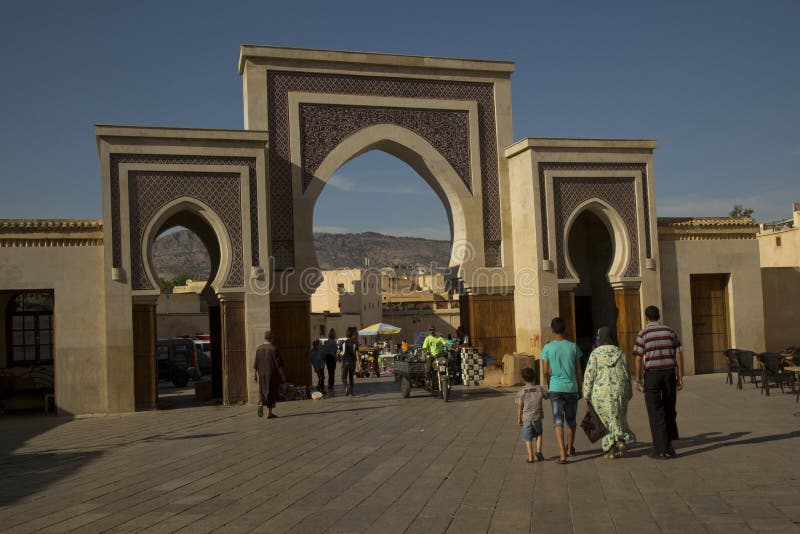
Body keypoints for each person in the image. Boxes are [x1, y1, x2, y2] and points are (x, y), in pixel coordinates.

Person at [633, 305, 683, 459]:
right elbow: (678, 354)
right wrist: (680, 377)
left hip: (653, 375)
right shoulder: (670, 331)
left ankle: (660, 448)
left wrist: (638, 378)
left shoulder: (643, 334)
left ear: (646, 317)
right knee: (669, 408)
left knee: (655, 411)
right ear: (659, 316)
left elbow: (639, 357)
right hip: (669, 373)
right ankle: (668, 446)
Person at [583, 326, 636, 459]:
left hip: (601, 392)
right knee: (619, 416)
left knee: (605, 420)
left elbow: (590, 375)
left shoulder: (595, 354)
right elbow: (626, 372)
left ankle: (610, 450)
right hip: (619, 390)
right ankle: (621, 440)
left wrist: (586, 394)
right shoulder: (620, 352)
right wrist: (628, 391)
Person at [541, 317, 583, 464]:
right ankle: (570, 448)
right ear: (565, 330)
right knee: (571, 420)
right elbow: (578, 370)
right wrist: (580, 387)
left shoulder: (547, 348)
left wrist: (549, 383)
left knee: (558, 420)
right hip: (572, 388)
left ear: (552, 331)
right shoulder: (573, 347)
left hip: (556, 388)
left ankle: (562, 454)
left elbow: (545, 371)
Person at [516, 367, 549, 463]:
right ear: (534, 377)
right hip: (538, 417)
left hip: (526, 419)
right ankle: (538, 451)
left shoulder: (521, 391)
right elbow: (547, 396)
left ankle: (530, 457)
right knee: (539, 434)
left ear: (523, 379)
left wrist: (519, 418)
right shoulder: (539, 389)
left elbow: (519, 406)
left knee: (528, 438)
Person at [253, 330, 286, 419]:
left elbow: (255, 363)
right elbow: (278, 365)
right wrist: (283, 376)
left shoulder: (258, 348)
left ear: (264, 338)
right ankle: (269, 413)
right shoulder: (273, 348)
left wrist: (255, 375)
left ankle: (260, 401)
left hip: (261, 374)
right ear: (271, 338)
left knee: (262, 390)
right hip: (271, 374)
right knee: (271, 392)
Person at [340, 329, 361, 396]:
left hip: (345, 362)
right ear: (352, 336)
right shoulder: (355, 345)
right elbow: (357, 356)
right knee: (351, 377)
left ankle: (346, 387)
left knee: (344, 377)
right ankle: (351, 392)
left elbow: (339, 352)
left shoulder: (343, 343)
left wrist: (338, 356)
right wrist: (359, 365)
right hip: (352, 362)